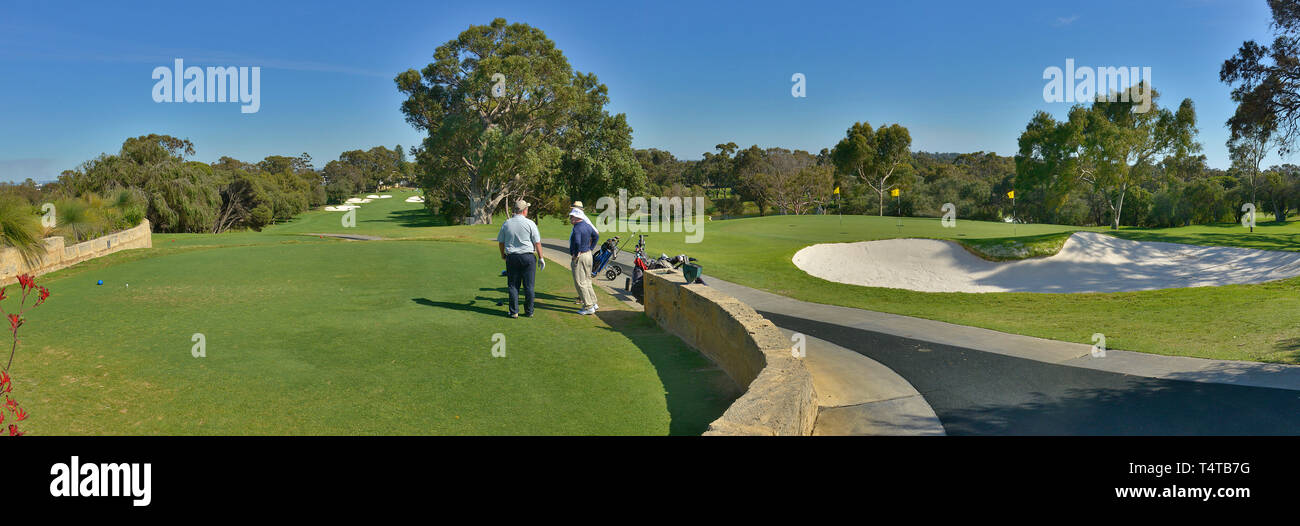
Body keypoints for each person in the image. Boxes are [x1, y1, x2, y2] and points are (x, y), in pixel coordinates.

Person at [496, 199, 544, 318]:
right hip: (528, 257)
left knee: (513, 286)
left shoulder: (507, 223)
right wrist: (541, 258)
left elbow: (501, 242)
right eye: (527, 208)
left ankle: (514, 312)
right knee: (529, 286)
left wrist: (502, 255)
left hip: (512, 258)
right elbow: (537, 242)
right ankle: (529, 311)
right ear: (524, 210)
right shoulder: (530, 223)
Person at [568, 208, 600, 315]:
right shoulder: (587, 225)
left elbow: (577, 242)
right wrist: (591, 248)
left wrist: (576, 253)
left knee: (580, 282)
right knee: (587, 280)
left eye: (572, 217)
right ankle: (593, 302)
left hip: (580, 256)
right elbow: (596, 236)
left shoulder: (577, 228)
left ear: (577, 217)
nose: (570, 218)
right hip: (588, 255)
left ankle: (588, 306)